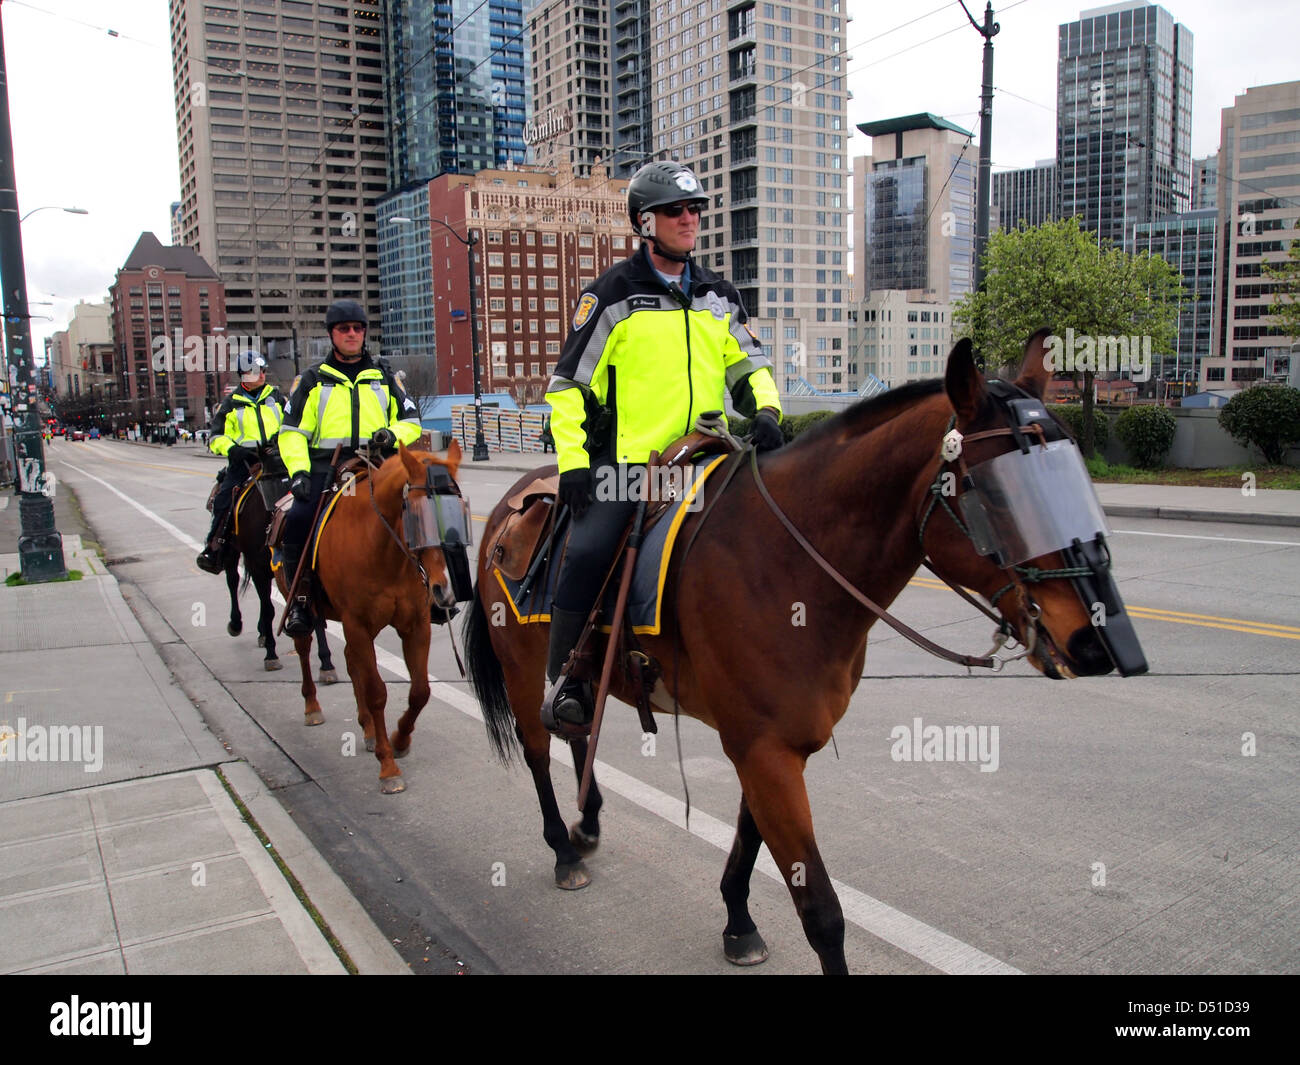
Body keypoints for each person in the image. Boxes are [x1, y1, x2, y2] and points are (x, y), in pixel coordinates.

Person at [542, 159, 784, 735]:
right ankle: (568, 677)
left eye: (696, 209)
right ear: (645, 223)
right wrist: (575, 464)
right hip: (634, 469)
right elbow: (567, 388)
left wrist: (768, 411)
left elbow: (748, 367)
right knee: (589, 549)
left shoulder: (718, 296)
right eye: (676, 210)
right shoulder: (611, 296)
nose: (690, 219)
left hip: (711, 455)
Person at [277, 299, 422, 636]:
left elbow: (412, 421)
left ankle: (437, 589)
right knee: (299, 517)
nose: (352, 334)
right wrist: (299, 472)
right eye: (344, 329)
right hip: (326, 468)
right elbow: (291, 434)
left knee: (429, 506)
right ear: (332, 335)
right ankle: (300, 599)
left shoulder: (386, 377)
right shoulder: (312, 380)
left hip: (378, 464)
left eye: (358, 328)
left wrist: (390, 434)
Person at [196, 353, 286, 573]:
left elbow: (291, 424)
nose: (262, 375)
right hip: (244, 463)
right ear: (243, 375)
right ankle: (215, 547)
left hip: (277, 460)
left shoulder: (277, 397)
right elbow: (216, 437)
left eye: (263, 371)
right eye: (257, 372)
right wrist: (234, 449)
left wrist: (279, 441)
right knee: (223, 499)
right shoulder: (230, 404)